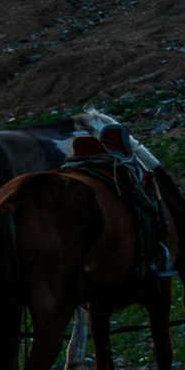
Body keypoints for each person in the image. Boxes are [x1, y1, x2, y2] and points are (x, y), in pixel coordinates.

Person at [64, 108, 173, 280]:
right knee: (144, 199)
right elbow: (137, 149)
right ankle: (151, 254)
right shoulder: (104, 122)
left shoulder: (90, 125)